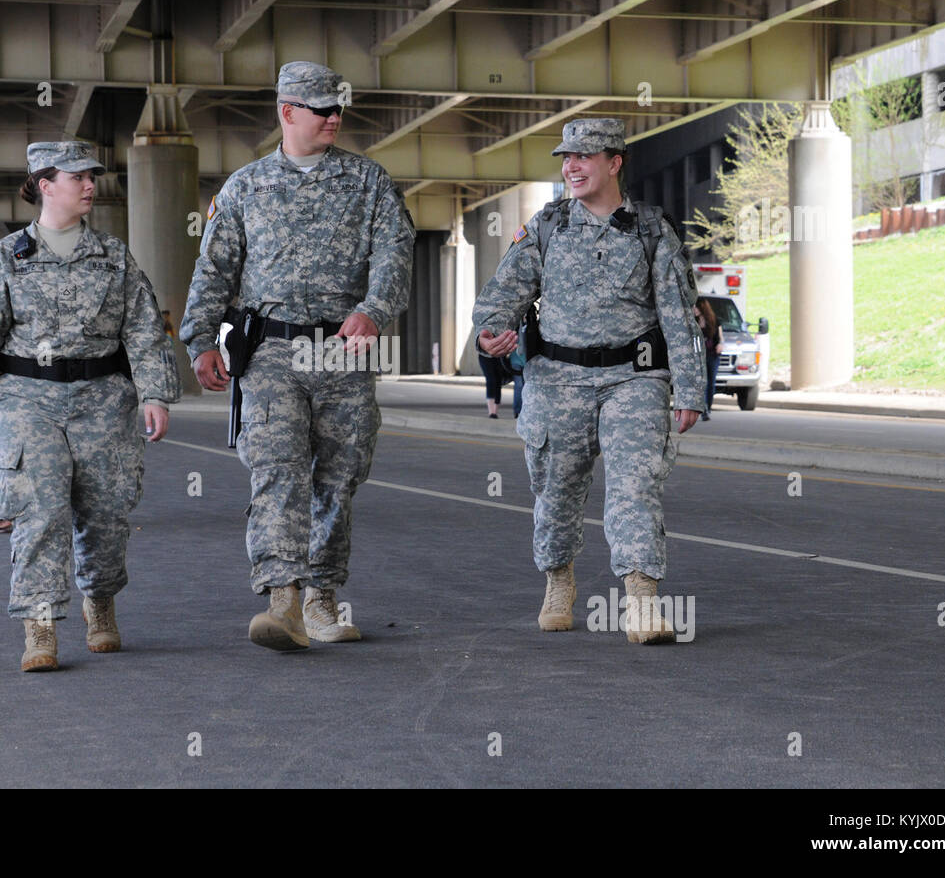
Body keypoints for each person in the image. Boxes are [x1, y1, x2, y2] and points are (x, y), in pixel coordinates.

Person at [181, 61, 415, 652]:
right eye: (321, 109)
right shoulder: (244, 187)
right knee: (277, 470)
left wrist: (375, 309)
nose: (334, 117)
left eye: (338, 108)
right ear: (287, 111)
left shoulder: (369, 182)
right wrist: (200, 340)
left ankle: (322, 598)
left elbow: (395, 252)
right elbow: (214, 269)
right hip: (272, 351)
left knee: (338, 477)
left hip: (342, 349)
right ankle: (281, 599)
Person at [0, 140, 180, 672]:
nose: (90, 185)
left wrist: (155, 392)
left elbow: (143, 329)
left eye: (92, 176)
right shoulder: (6, 258)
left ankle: (101, 601)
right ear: (46, 185)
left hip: (103, 399)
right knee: (40, 510)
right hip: (26, 397)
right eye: (77, 177)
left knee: (107, 513)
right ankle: (40, 626)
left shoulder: (114, 257)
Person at [472, 118, 705, 645]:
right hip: (556, 379)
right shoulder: (546, 226)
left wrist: (689, 390)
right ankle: (559, 581)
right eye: (565, 158)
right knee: (554, 491)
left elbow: (680, 317)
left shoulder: (651, 230)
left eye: (583, 157)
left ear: (614, 161)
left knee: (634, 487)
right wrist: (492, 336)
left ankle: (642, 600)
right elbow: (498, 300)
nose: (570, 167)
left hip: (635, 380)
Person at [694, 297, 723, 420]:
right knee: (702, 383)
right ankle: (704, 408)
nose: (694, 310)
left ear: (702, 308)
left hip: (712, 355)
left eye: (696, 307)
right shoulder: (693, 321)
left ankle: (708, 406)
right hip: (699, 355)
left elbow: (720, 337)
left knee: (711, 383)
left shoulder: (714, 320)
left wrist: (720, 344)